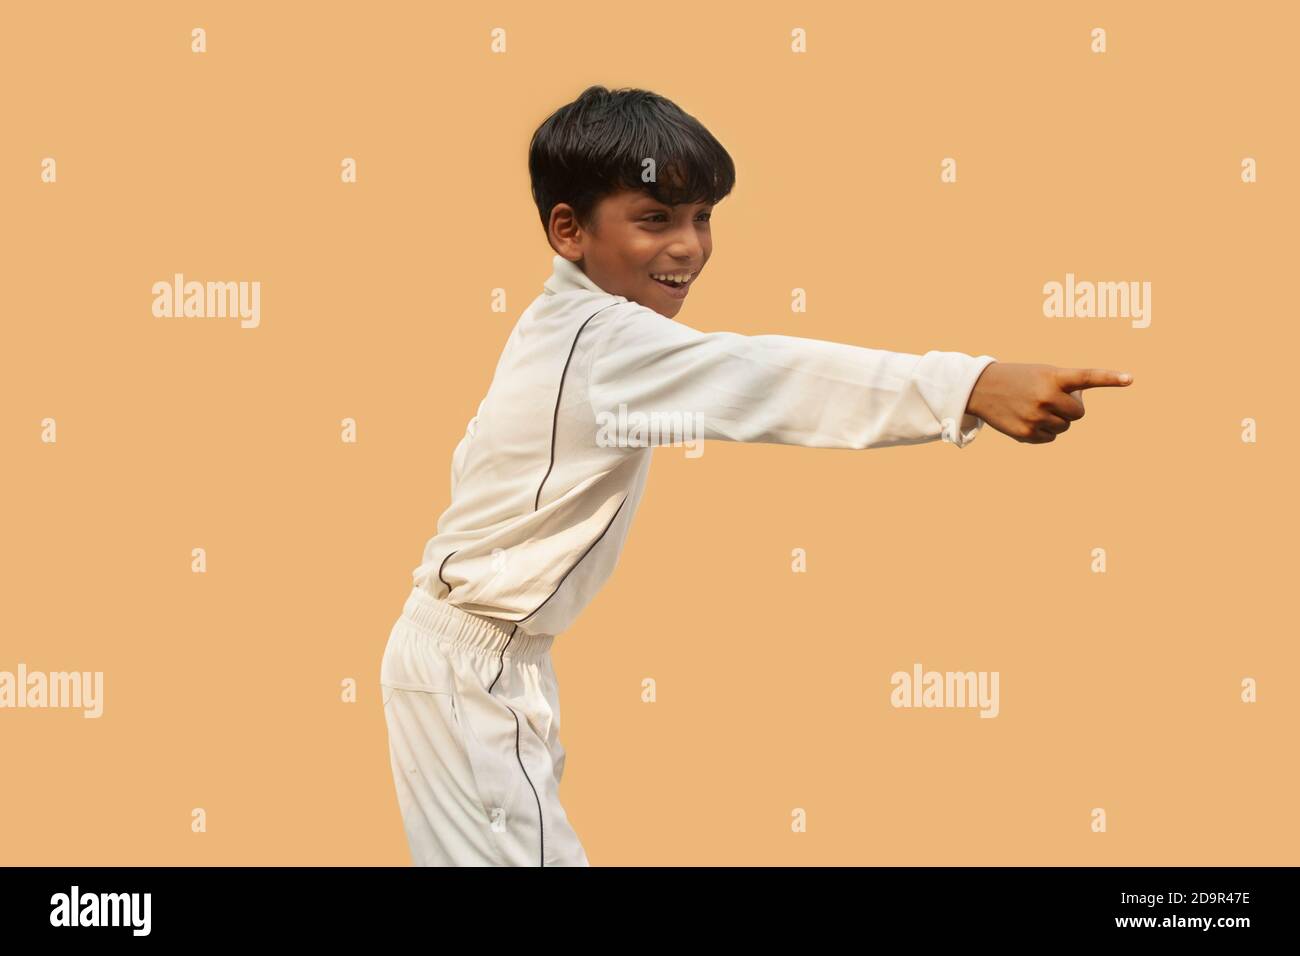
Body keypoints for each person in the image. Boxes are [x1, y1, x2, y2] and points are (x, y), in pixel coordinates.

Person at [379, 84, 1134, 866]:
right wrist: (967, 385)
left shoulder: (560, 328)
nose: (688, 246)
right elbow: (765, 378)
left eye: (702, 217)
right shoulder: (606, 344)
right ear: (568, 229)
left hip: (473, 661)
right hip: (474, 669)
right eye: (654, 218)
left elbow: (515, 452)